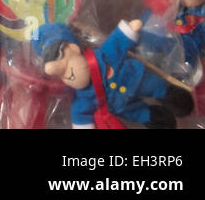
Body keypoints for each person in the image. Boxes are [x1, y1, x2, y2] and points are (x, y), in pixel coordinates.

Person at [34, 19, 194, 129]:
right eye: (61, 74)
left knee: (155, 85)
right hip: (123, 106)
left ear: (73, 48)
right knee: (140, 114)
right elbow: (80, 114)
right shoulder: (82, 98)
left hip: (137, 78)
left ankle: (168, 93)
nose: (69, 76)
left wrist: (128, 30)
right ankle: (154, 117)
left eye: (65, 63)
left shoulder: (103, 55)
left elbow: (116, 43)